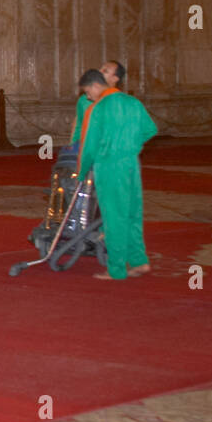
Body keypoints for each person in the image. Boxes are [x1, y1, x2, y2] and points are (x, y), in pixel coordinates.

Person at [76, 69, 158, 280]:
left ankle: (117, 269)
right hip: (131, 164)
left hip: (109, 166)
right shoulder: (133, 102)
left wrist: (80, 172)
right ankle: (139, 262)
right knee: (132, 214)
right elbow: (151, 129)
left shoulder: (97, 108)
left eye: (87, 91)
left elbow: (89, 146)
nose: (87, 96)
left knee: (114, 218)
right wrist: (132, 146)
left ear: (95, 86)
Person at [71, 60, 124, 143]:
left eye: (105, 71)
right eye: (100, 69)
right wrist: (72, 144)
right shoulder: (84, 99)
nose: (99, 72)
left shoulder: (121, 102)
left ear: (115, 79)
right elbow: (77, 123)